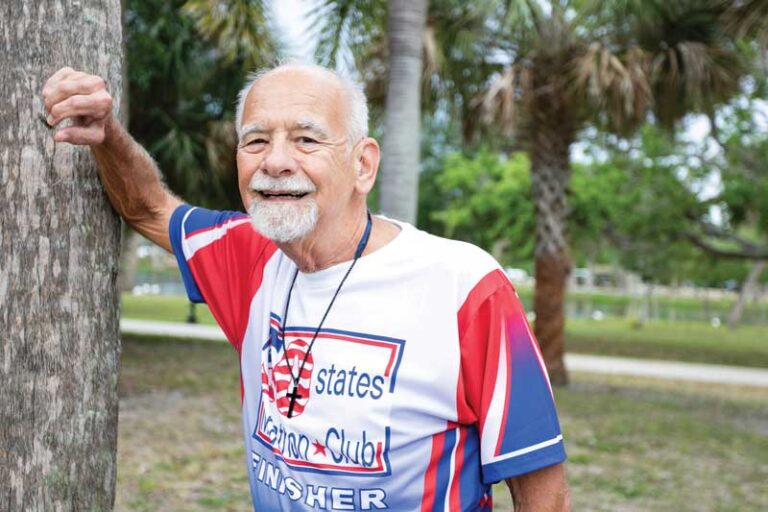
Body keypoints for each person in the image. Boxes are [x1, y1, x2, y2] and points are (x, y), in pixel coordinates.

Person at [42, 64, 570, 511]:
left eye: (306, 138)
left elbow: (540, 487)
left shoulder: (465, 286)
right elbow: (148, 206)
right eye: (255, 141)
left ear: (362, 164)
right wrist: (106, 133)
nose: (275, 161)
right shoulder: (245, 254)